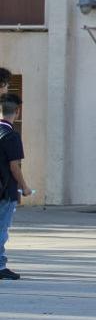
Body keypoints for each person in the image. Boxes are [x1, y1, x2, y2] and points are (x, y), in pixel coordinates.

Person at [0, 92, 31, 279]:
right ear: (17, 111)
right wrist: (25, 187)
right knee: (2, 228)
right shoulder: (11, 136)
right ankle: (0, 266)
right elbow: (14, 166)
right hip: (5, 191)